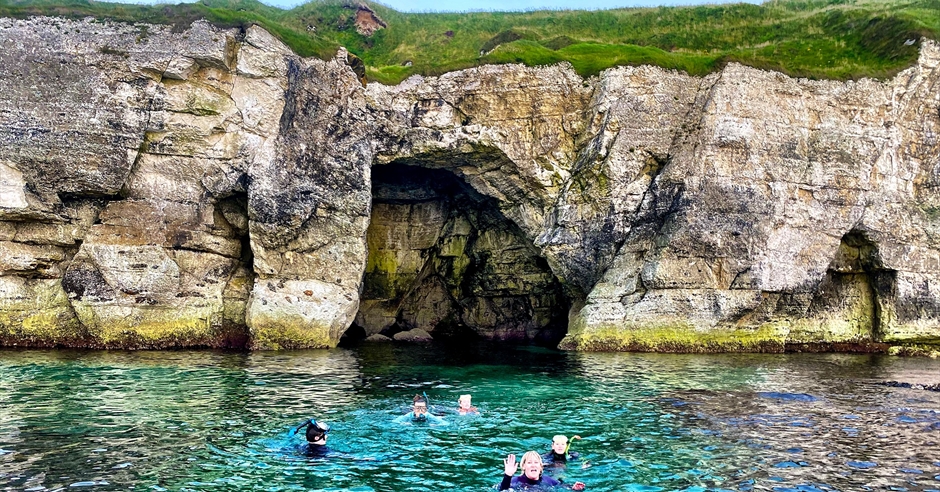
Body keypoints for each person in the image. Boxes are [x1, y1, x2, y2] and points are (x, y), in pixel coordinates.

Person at [499, 451, 585, 490]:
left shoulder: (548, 480)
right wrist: (508, 475)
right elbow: (502, 490)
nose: (533, 465)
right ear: (523, 466)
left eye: (536, 462)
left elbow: (563, 486)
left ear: (540, 467)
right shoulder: (515, 482)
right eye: (529, 462)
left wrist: (573, 488)